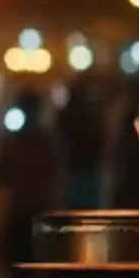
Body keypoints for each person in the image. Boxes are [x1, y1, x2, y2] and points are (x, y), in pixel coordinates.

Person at [0, 89, 60, 270]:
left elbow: (0, 176)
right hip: (42, 211)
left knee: (17, 269)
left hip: (19, 210)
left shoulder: (12, 141)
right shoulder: (48, 140)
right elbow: (56, 174)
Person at [58, 78, 107, 210]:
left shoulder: (71, 113)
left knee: (76, 199)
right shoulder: (90, 114)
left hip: (78, 164)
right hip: (84, 164)